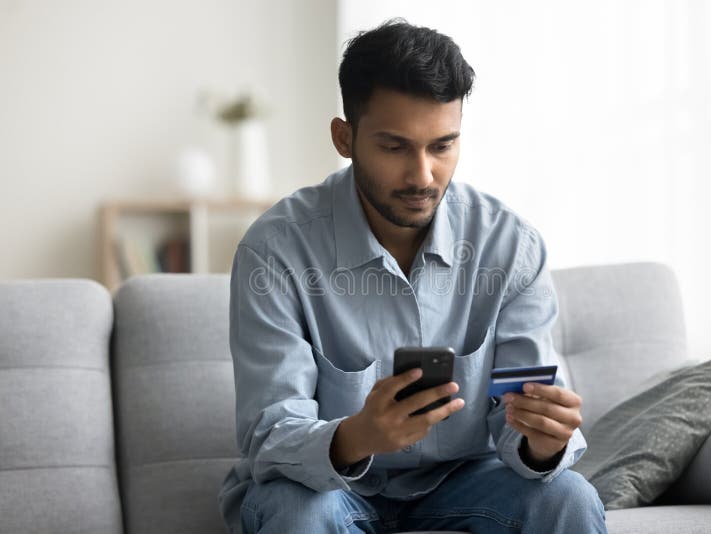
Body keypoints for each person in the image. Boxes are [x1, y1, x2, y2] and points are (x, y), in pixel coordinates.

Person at [218, 18, 607, 534]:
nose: (423, 176)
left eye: (442, 146)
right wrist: (359, 435)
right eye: (395, 147)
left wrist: (542, 442)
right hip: (328, 488)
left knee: (568, 497)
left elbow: (517, 410)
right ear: (344, 137)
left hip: (469, 480)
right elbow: (271, 434)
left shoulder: (510, 247)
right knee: (300, 513)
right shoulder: (275, 252)